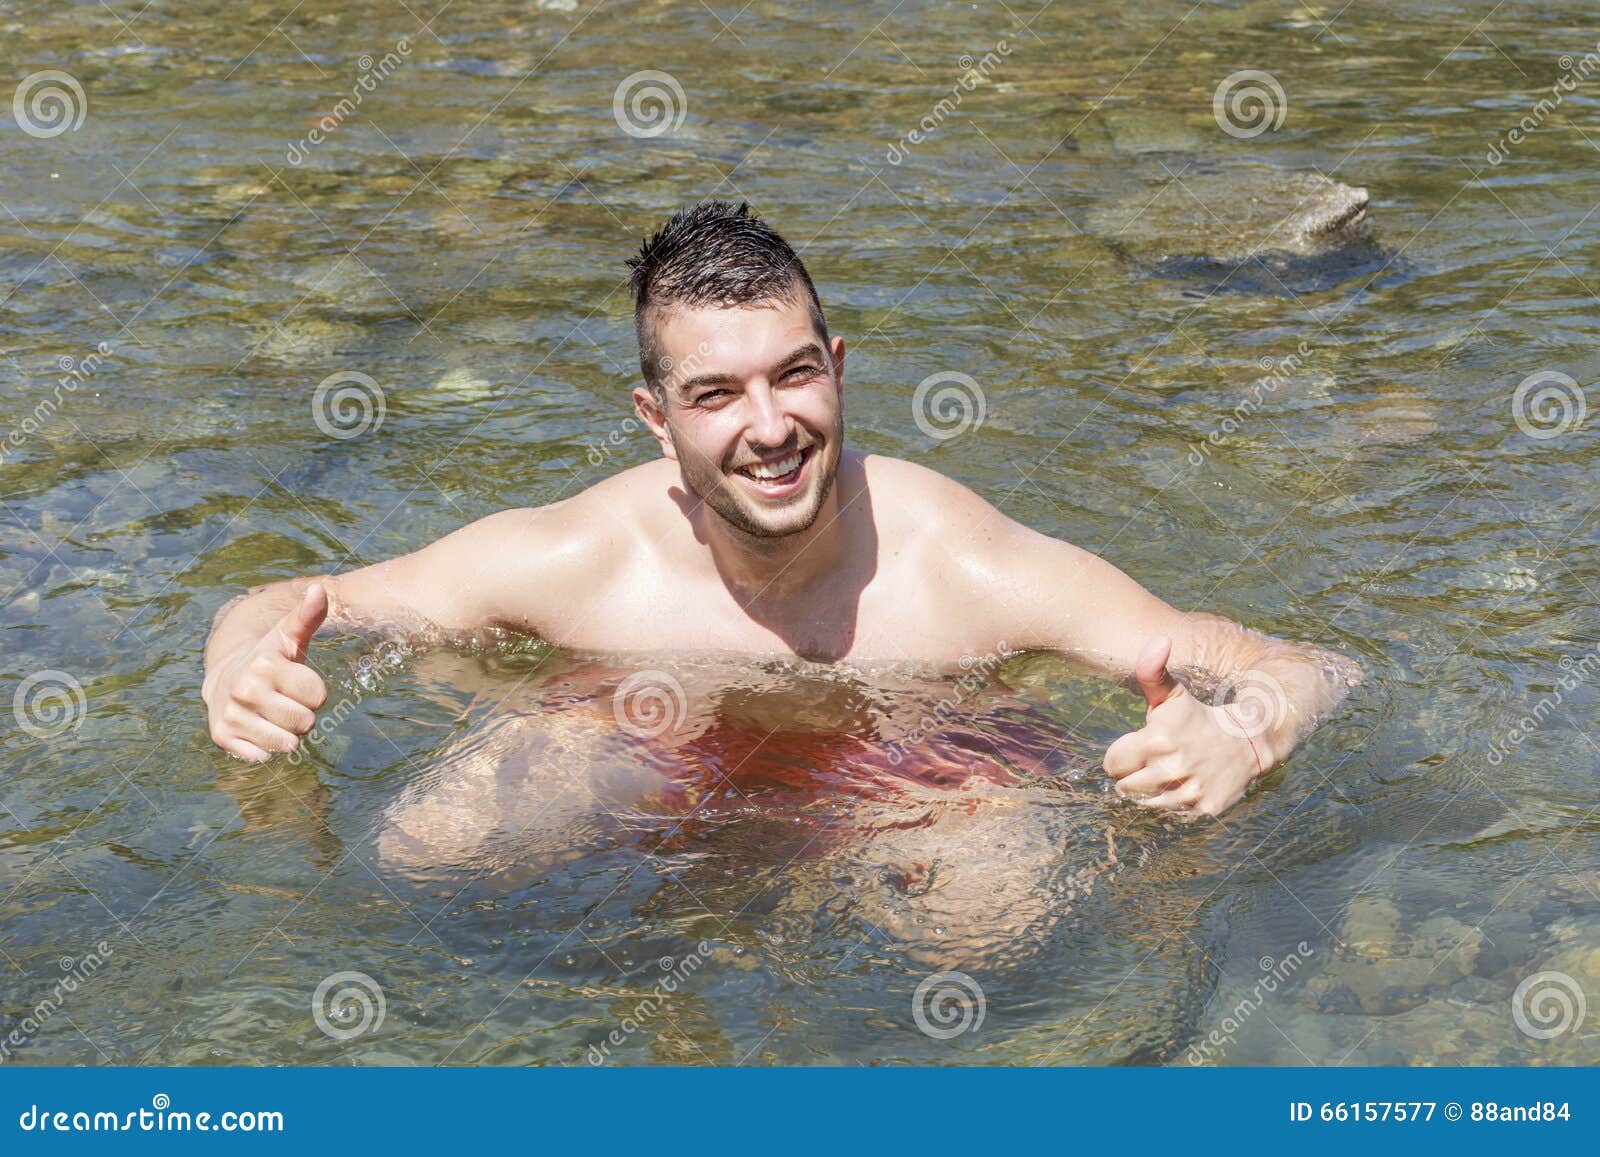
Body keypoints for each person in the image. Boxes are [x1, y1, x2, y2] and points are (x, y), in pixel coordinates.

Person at [202, 200, 1361, 818]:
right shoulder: (578, 559)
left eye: (793, 373)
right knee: (426, 853)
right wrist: (240, 667)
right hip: (652, 743)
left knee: (989, 929)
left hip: (919, 769)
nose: (769, 426)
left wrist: (1243, 734)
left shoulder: (959, 564)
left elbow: (1309, 663)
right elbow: (290, 602)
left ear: (838, 366)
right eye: (716, 393)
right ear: (656, 420)